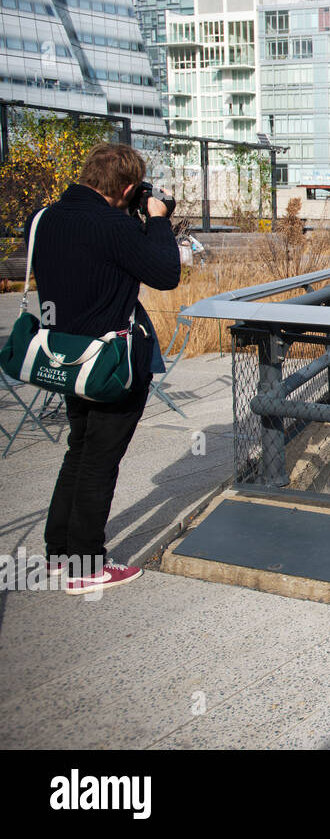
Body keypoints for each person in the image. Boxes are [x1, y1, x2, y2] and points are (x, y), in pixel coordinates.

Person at [26, 143, 181, 594]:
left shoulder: (44, 218)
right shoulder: (115, 226)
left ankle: (60, 551)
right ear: (130, 188)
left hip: (65, 357)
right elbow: (166, 274)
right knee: (100, 459)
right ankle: (86, 565)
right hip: (111, 363)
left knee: (80, 449)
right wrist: (155, 219)